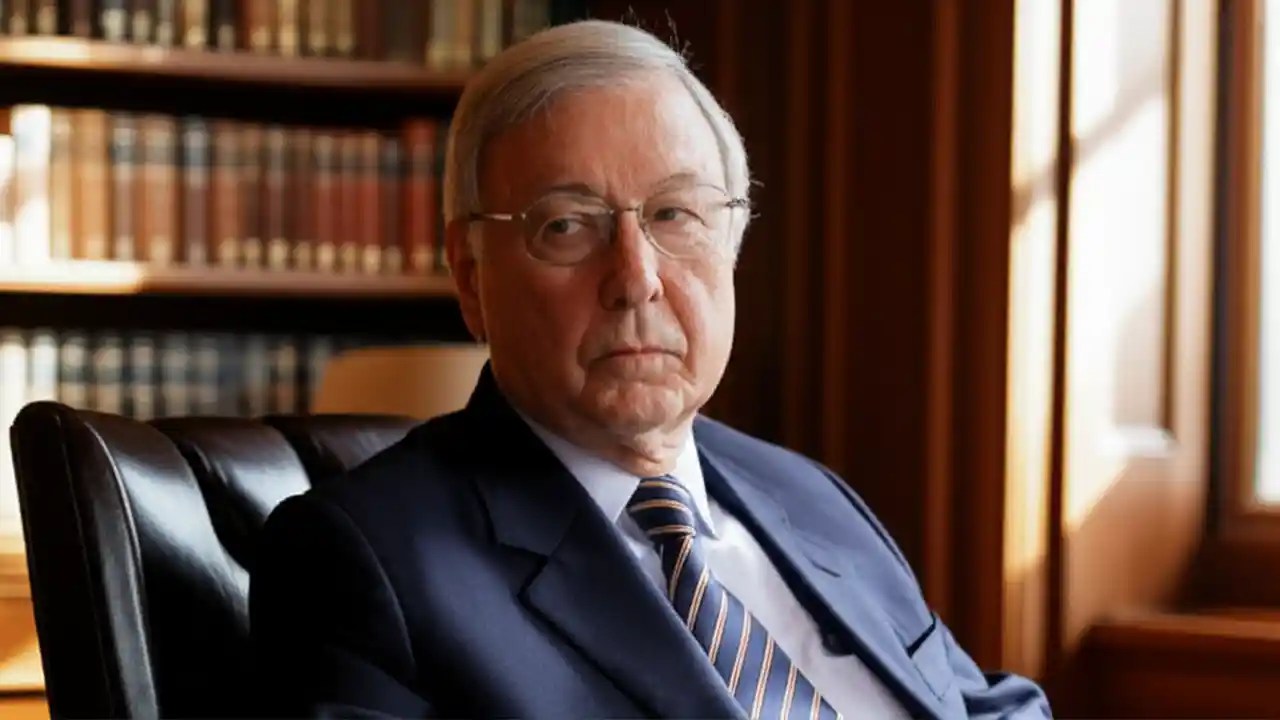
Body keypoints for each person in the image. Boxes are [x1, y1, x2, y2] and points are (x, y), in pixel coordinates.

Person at [249, 19, 1053, 720]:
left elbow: (988, 705)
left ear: (731, 243)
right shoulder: (366, 565)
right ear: (470, 277)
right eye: (567, 226)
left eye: (675, 214)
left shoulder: (810, 498)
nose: (636, 277)